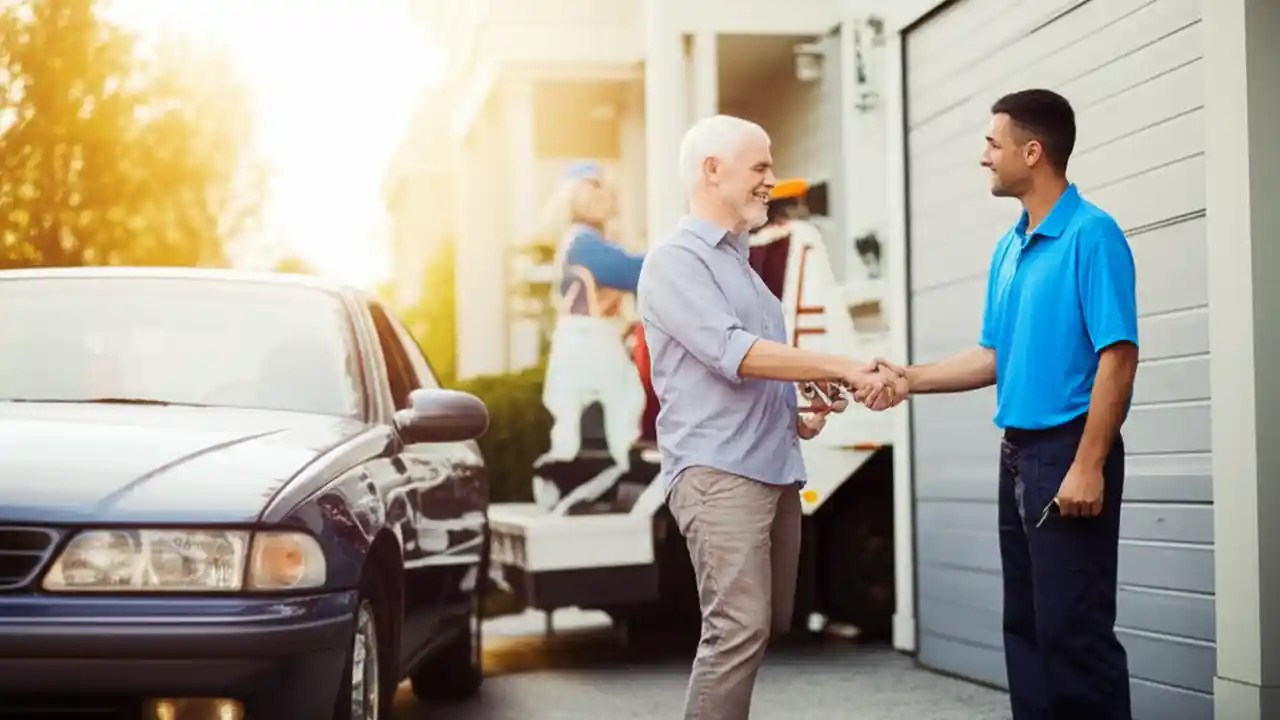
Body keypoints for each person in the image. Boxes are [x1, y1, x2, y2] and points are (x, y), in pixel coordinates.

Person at [867, 89, 1139, 719]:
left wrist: (1089, 463)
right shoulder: (1010, 248)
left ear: (1033, 151)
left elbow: (1118, 358)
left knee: (1076, 634)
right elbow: (993, 357)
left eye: (993, 143)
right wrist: (905, 378)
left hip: (1068, 451)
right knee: (1027, 627)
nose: (983, 157)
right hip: (1018, 454)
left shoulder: (1091, 235)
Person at [636, 114, 894, 720]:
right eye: (760, 167)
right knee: (736, 631)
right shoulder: (675, 262)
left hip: (773, 469)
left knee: (764, 624)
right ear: (711, 171)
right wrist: (844, 365)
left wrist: (802, 411)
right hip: (718, 474)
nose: (771, 182)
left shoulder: (743, 267)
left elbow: (754, 376)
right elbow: (736, 353)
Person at [532, 160, 649, 513]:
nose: (600, 195)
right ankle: (595, 487)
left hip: (583, 341)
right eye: (590, 188)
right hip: (588, 341)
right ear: (573, 197)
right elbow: (634, 271)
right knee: (622, 406)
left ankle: (570, 490)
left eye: (602, 188)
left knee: (580, 420)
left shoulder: (581, 241)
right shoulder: (583, 243)